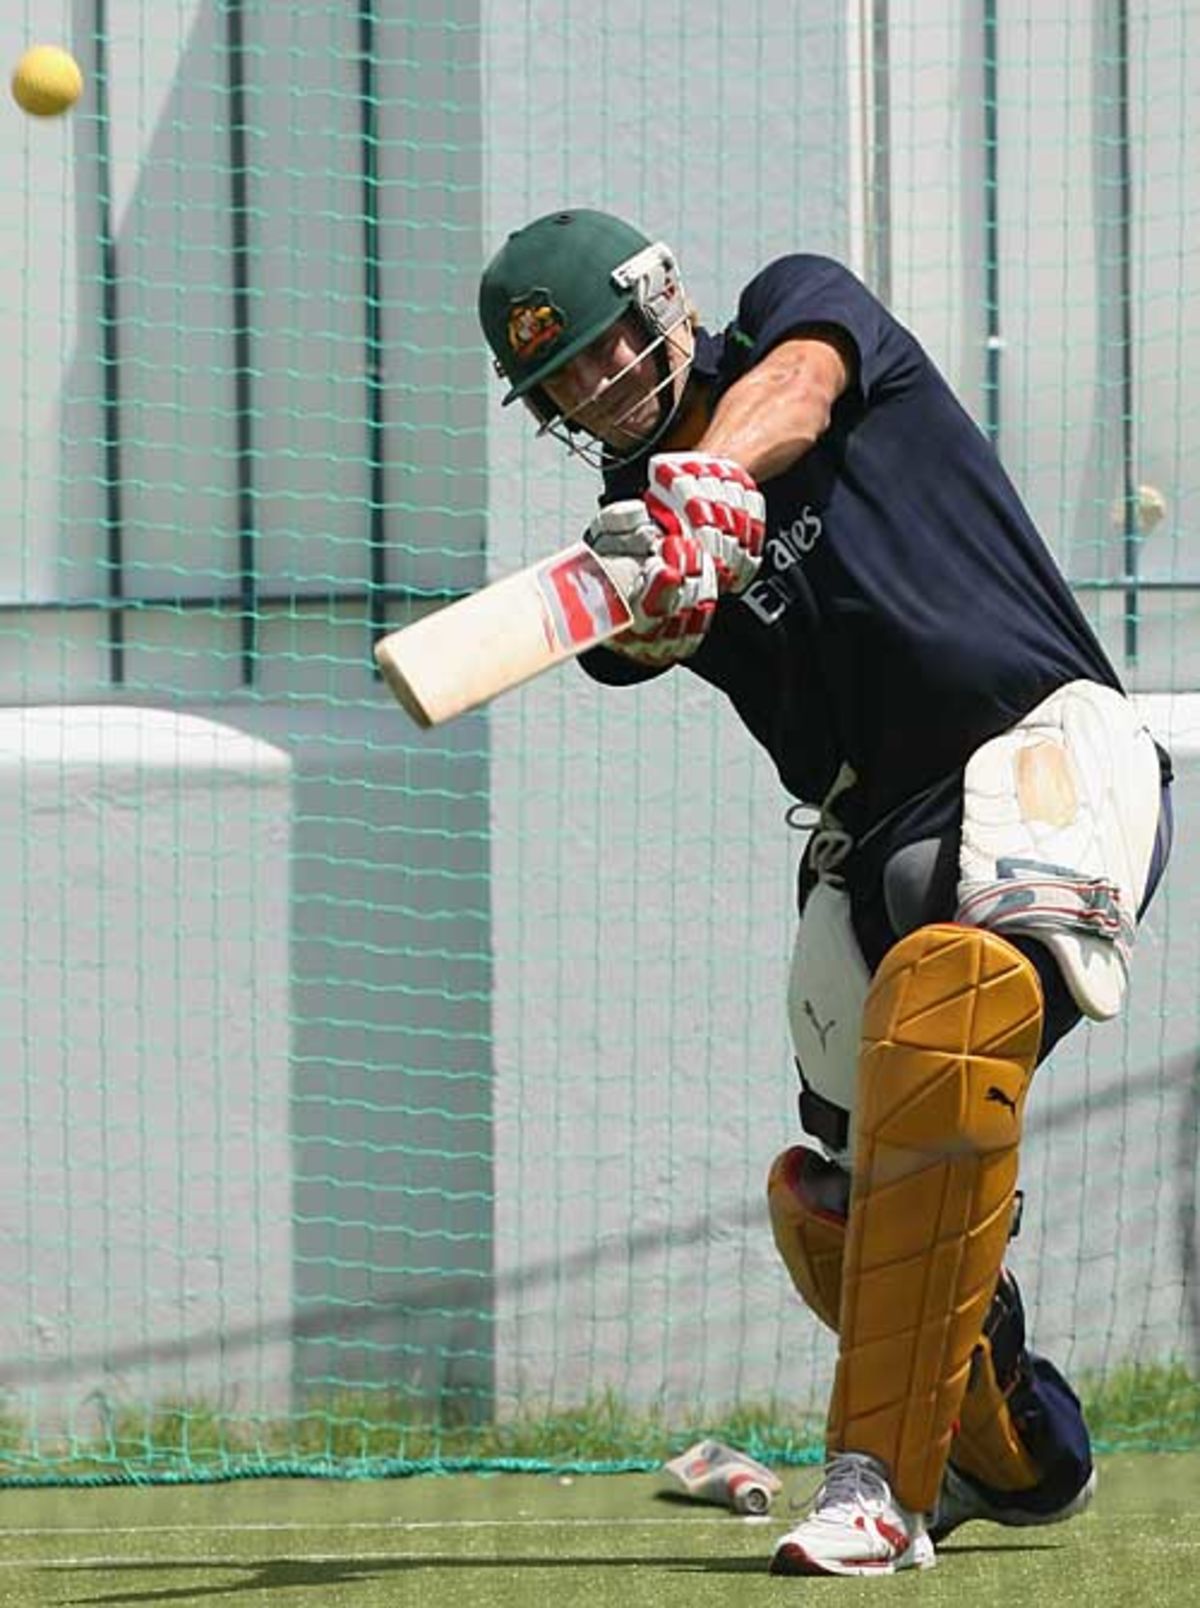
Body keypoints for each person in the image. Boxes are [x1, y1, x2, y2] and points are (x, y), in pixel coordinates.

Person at [477, 208, 1174, 1577]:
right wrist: (654, 584)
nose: (599, 383)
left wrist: (710, 484)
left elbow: (794, 390)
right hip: (875, 842)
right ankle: (1021, 1455)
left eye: (610, 345)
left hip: (1044, 750)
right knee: (840, 1207)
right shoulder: (631, 541)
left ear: (660, 301)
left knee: (951, 1008)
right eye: (562, 381)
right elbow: (629, 633)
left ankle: (877, 1490)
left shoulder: (801, 311)